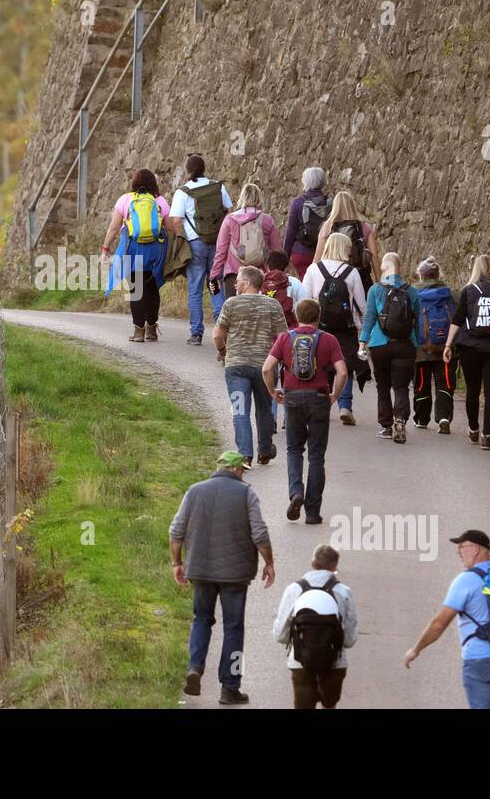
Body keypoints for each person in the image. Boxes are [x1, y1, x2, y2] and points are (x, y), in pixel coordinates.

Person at [170, 450, 275, 706]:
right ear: (237, 470)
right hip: (235, 576)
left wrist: (177, 563)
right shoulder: (246, 494)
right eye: (242, 470)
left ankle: (195, 668)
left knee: (202, 619)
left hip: (201, 571)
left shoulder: (194, 491)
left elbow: (176, 531)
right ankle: (230, 688)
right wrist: (269, 562)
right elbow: (259, 533)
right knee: (233, 628)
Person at [403, 529, 490, 709]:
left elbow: (439, 623)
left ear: (476, 549)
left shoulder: (465, 580)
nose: (458, 552)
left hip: (481, 661)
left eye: (462, 547)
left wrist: (416, 650)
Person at [263, 299, 346, 524]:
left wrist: (273, 391)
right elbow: (342, 372)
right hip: (319, 398)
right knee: (316, 456)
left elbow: (267, 368)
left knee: (293, 449)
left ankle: (296, 492)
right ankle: (312, 512)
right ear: (318, 317)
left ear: (297, 316)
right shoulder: (328, 340)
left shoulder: (285, 338)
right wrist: (335, 396)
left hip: (292, 398)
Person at [213, 266, 286, 464]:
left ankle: (245, 454)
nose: (235, 284)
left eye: (237, 281)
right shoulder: (273, 305)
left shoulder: (231, 304)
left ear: (246, 283)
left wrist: (223, 351)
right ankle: (264, 450)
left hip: (236, 366)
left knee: (239, 411)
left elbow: (217, 335)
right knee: (264, 409)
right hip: (265, 367)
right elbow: (282, 338)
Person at [443, 255, 490, 450]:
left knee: (472, 389)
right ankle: (487, 435)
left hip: (470, 347)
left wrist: (448, 346)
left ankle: (473, 429)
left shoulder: (468, 292)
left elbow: (457, 320)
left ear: (476, 270)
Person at [271, 543, 358, 708]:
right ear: (334, 566)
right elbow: (349, 640)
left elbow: (280, 635)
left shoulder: (294, 589)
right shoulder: (344, 592)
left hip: (300, 662)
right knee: (329, 704)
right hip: (334, 663)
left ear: (312, 564)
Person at [301, 231, 368, 426]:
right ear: (344, 249)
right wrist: (362, 327)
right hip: (345, 327)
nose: (350, 251)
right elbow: (361, 304)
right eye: (348, 248)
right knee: (343, 365)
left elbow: (306, 298)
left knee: (321, 364)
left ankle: (321, 404)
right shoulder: (352, 272)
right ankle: (345, 405)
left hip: (319, 324)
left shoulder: (314, 269)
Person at [168, 153, 233, 346]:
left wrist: (184, 240)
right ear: (204, 168)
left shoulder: (183, 192)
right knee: (214, 283)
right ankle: (223, 327)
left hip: (195, 245)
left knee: (195, 289)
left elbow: (176, 220)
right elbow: (229, 212)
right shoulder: (218, 187)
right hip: (216, 244)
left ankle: (196, 333)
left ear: (188, 170)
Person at [358, 252, 421, 444]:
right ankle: (400, 419)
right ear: (399, 268)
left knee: (383, 386)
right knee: (401, 386)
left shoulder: (375, 290)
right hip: (405, 345)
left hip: (379, 345)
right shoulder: (412, 292)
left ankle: (386, 426)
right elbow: (417, 321)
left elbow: (369, 317)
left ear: (385, 268)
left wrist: (362, 342)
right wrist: (416, 344)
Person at [102, 168, 170, 343]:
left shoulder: (125, 199)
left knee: (136, 289)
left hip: (132, 249)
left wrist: (106, 247)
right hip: (155, 250)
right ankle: (152, 330)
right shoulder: (160, 200)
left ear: (134, 182)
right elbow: (169, 228)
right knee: (152, 289)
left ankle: (139, 332)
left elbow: (114, 227)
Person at [411, 257, 458, 434]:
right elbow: (459, 319)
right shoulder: (451, 294)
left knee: (422, 383)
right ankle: (444, 417)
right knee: (445, 382)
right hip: (447, 347)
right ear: (438, 275)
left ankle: (422, 419)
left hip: (421, 348)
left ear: (421, 275)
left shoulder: (413, 293)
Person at [211, 183, 281, 301]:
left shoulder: (230, 219)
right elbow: (277, 251)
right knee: (257, 312)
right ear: (259, 198)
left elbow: (220, 251)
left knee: (233, 312)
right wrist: (277, 276)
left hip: (234, 275)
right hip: (259, 276)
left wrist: (214, 276)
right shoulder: (267, 220)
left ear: (242, 198)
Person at [315, 190, 381, 292]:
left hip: (334, 278)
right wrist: (379, 282)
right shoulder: (363, 227)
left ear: (335, 206)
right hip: (360, 278)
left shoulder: (327, 227)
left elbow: (317, 258)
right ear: (352, 206)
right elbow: (374, 256)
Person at [282, 167, 332, 280]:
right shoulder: (330, 203)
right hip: (325, 253)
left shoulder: (298, 202)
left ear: (305, 182)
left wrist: (285, 259)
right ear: (323, 181)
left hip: (301, 253)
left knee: (306, 285)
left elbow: (290, 232)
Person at [260, 249, 303, 327]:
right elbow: (303, 305)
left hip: (265, 327)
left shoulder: (261, 282)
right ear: (287, 267)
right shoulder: (295, 282)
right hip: (288, 328)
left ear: (267, 266)